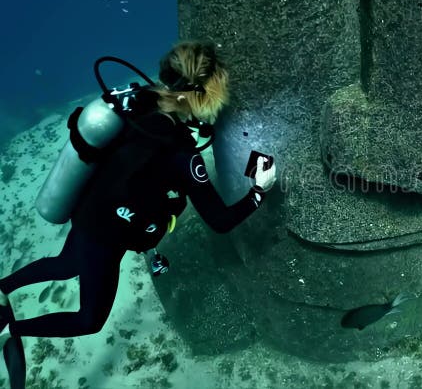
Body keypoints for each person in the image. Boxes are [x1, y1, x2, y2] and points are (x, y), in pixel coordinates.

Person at [0, 41, 275, 359]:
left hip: (89, 212)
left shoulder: (142, 102)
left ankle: (3, 285)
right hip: (107, 235)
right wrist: (259, 191)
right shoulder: (180, 152)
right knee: (89, 319)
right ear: (195, 95)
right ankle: (8, 332)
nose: (219, 103)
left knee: (68, 263)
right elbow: (220, 221)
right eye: (215, 94)